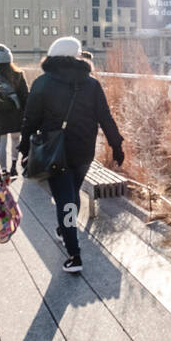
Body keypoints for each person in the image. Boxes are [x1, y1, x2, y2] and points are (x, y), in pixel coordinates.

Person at [19, 36, 124, 274]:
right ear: (76, 57)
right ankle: (66, 230)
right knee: (72, 193)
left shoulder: (43, 83)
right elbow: (105, 117)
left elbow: (30, 120)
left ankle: (74, 252)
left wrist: (25, 148)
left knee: (65, 199)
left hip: (55, 151)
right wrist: (116, 146)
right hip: (84, 149)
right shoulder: (91, 84)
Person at [0, 44, 29, 176]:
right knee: (16, 140)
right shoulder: (18, 74)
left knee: (2, 143)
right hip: (16, 114)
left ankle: (4, 170)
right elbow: (25, 96)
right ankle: (13, 166)